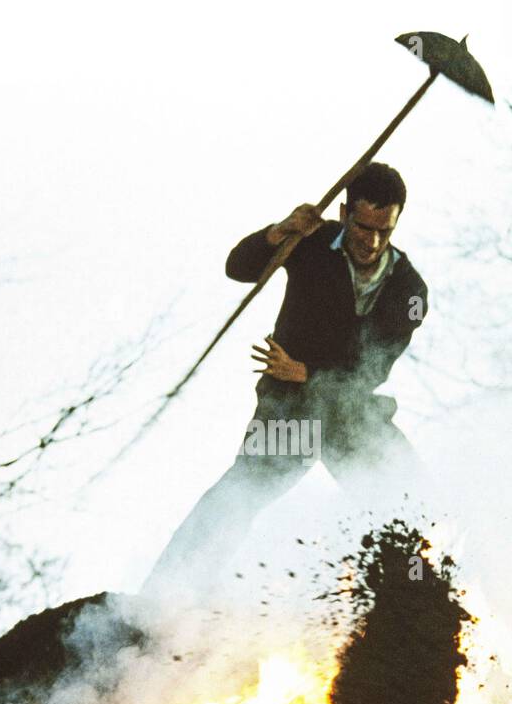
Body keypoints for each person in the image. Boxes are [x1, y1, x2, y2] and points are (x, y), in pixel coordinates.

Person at [143, 162, 431, 592]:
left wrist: (307, 372)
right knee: (238, 496)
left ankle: (418, 603)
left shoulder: (410, 293)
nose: (371, 242)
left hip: (350, 414)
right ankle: (164, 595)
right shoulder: (312, 244)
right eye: (362, 227)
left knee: (403, 494)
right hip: (291, 412)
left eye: (383, 231)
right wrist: (279, 232)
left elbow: (374, 368)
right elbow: (238, 267)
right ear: (343, 212)